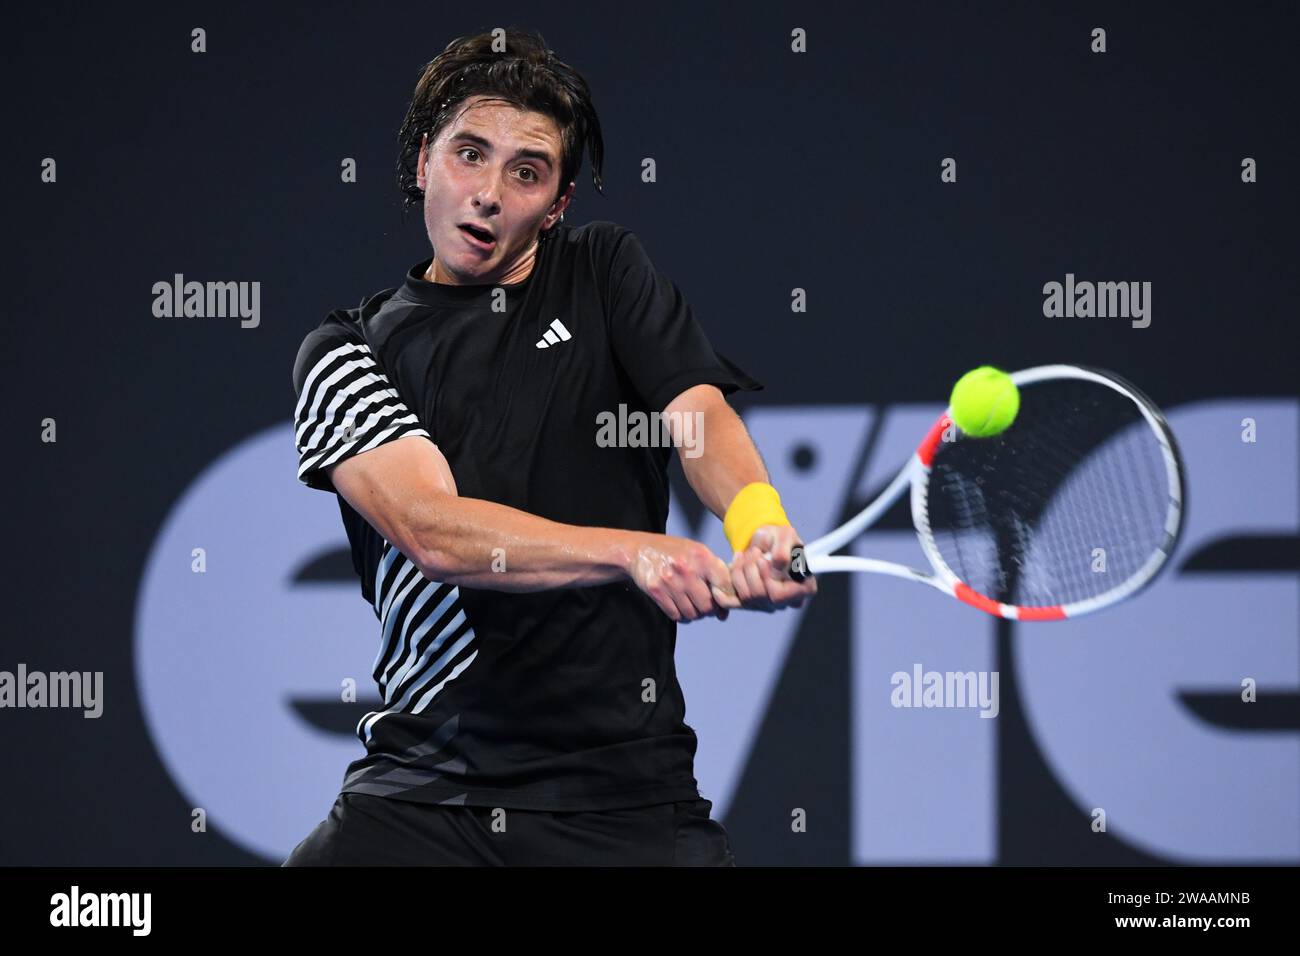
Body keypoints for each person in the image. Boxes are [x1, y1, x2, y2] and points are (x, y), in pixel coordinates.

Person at [285, 28, 816, 866]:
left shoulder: (605, 273)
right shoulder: (346, 353)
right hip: (429, 795)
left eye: (525, 172)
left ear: (558, 203)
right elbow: (434, 530)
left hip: (627, 799)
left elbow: (698, 413)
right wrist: (635, 553)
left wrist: (758, 520)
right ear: (423, 161)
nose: (489, 194)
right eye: (469, 154)